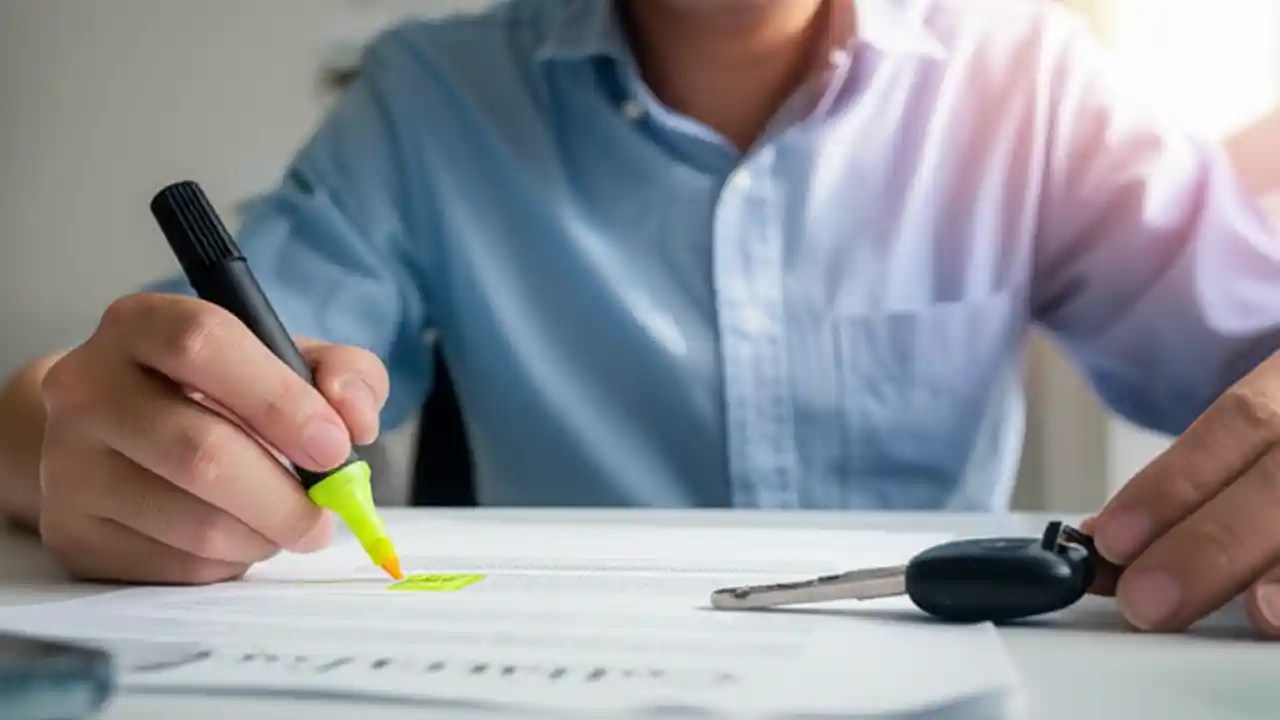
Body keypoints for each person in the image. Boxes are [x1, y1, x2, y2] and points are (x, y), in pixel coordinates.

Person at [1, 0, 1278, 638]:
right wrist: (70, 439)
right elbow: (134, 392)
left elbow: (1247, 360)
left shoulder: (1034, 83)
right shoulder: (426, 102)